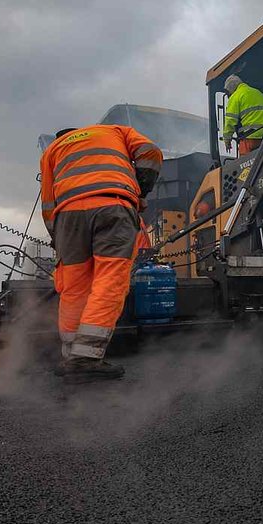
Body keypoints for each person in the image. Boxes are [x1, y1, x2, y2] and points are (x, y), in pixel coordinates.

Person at [41, 124, 163, 380]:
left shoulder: (52, 149)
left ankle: (72, 356)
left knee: (73, 286)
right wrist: (139, 191)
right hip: (112, 205)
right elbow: (150, 152)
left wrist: (58, 237)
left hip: (68, 215)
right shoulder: (115, 131)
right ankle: (86, 357)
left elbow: (48, 202)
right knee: (110, 279)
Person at [221, 75, 263, 156]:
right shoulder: (260, 94)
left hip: (249, 139)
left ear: (230, 88)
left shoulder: (235, 96)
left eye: (228, 92)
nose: (228, 95)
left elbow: (230, 120)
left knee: (245, 166)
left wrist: (227, 140)